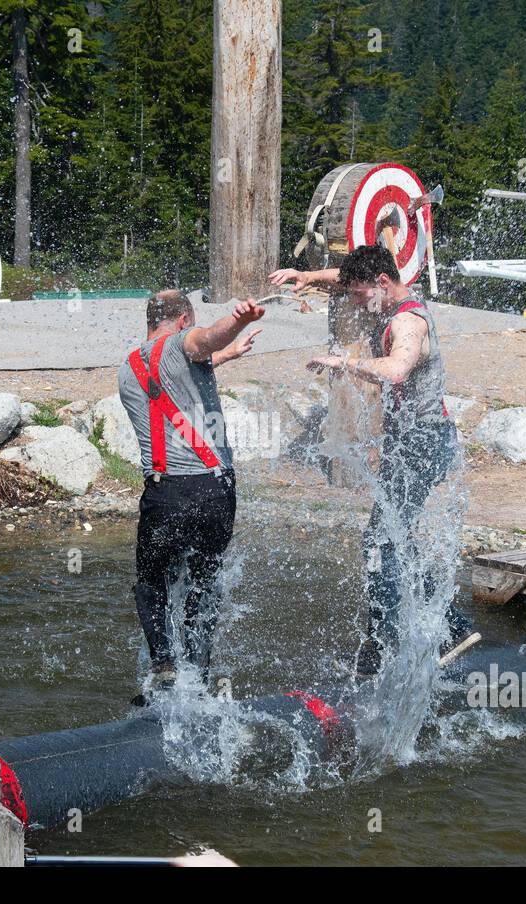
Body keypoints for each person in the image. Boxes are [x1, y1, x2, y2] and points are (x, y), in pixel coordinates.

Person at [270, 245, 461, 679]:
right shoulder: (384, 287)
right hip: (414, 442)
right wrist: (308, 276)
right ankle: (453, 627)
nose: (354, 303)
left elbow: (396, 370)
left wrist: (345, 361)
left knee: (379, 542)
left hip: (423, 443)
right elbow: (347, 275)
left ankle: (381, 648)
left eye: (358, 295)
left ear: (381, 284)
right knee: (396, 537)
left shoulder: (408, 321)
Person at [119, 290, 264, 702]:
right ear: (183, 320)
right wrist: (239, 321)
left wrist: (230, 353)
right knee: (203, 582)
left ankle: (163, 662)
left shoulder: (128, 369)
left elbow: (195, 362)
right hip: (215, 492)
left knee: (151, 580)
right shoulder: (184, 342)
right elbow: (205, 342)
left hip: (165, 495)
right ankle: (198, 674)